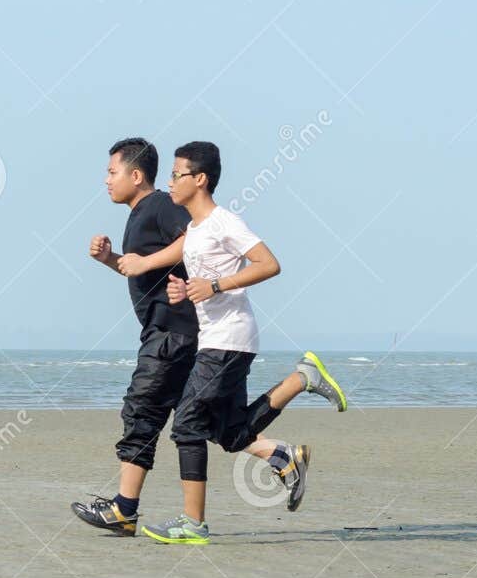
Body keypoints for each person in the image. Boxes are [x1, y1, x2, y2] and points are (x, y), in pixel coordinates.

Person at [118, 141, 348, 545]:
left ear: (200, 179)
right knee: (229, 432)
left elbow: (268, 264)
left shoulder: (225, 222)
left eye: (177, 174)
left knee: (187, 425)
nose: (170, 182)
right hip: (216, 338)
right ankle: (301, 383)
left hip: (230, 338)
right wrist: (184, 290)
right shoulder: (193, 231)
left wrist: (215, 285)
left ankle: (194, 524)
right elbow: (192, 266)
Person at [72, 138, 198, 536]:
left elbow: (193, 239)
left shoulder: (160, 205)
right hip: (170, 331)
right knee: (201, 420)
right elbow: (145, 271)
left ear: (136, 175)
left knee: (141, 410)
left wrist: (144, 259)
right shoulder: (139, 214)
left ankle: (124, 509)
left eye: (112, 172)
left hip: (170, 330)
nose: (106, 180)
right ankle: (280, 454)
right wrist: (111, 259)